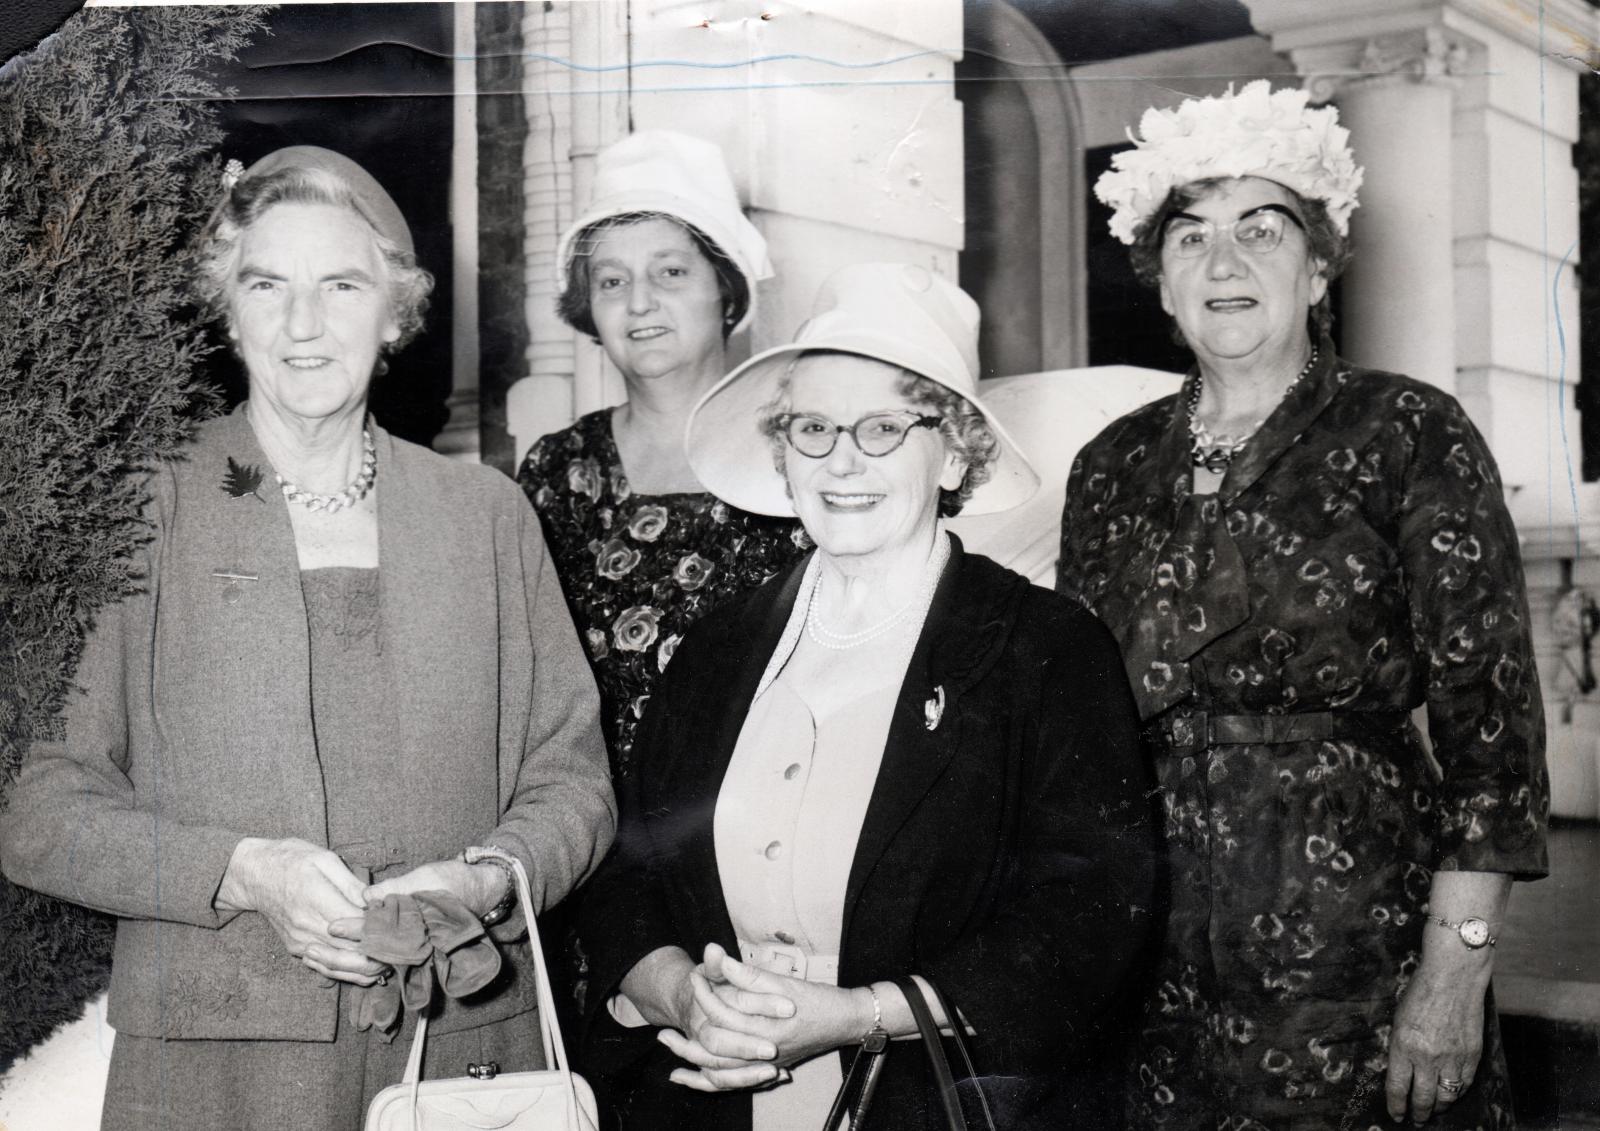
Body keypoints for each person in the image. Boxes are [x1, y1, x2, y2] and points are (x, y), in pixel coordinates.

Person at [0, 146, 616, 1130]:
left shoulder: (486, 516)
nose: (302, 323)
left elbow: (572, 781)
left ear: (394, 312)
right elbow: (35, 808)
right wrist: (243, 872)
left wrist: (490, 879)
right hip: (218, 1063)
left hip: (460, 1047)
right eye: (266, 285)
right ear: (227, 308)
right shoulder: (140, 511)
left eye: (341, 285)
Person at [1060, 81, 1549, 1130]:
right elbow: (1072, 724)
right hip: (1144, 952)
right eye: (1191, 236)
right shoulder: (1108, 464)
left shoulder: (1406, 430)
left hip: (1359, 944)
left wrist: (1454, 971)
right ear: (1161, 281)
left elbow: (1492, 733)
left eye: (1261, 229)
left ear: (1318, 265)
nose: (1223, 262)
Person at [576, 262, 1159, 1129]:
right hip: (709, 1100)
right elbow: (625, 871)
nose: (842, 461)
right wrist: (679, 994)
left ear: (954, 449)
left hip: (936, 1104)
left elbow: (1090, 919)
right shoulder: (719, 647)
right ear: (783, 451)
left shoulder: (1044, 647)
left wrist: (861, 1015)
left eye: (884, 427)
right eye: (813, 427)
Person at [517, 130, 806, 786]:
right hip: (586, 825)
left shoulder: (804, 455)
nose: (639, 301)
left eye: (670, 271)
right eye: (611, 280)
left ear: (725, 288)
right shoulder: (558, 470)